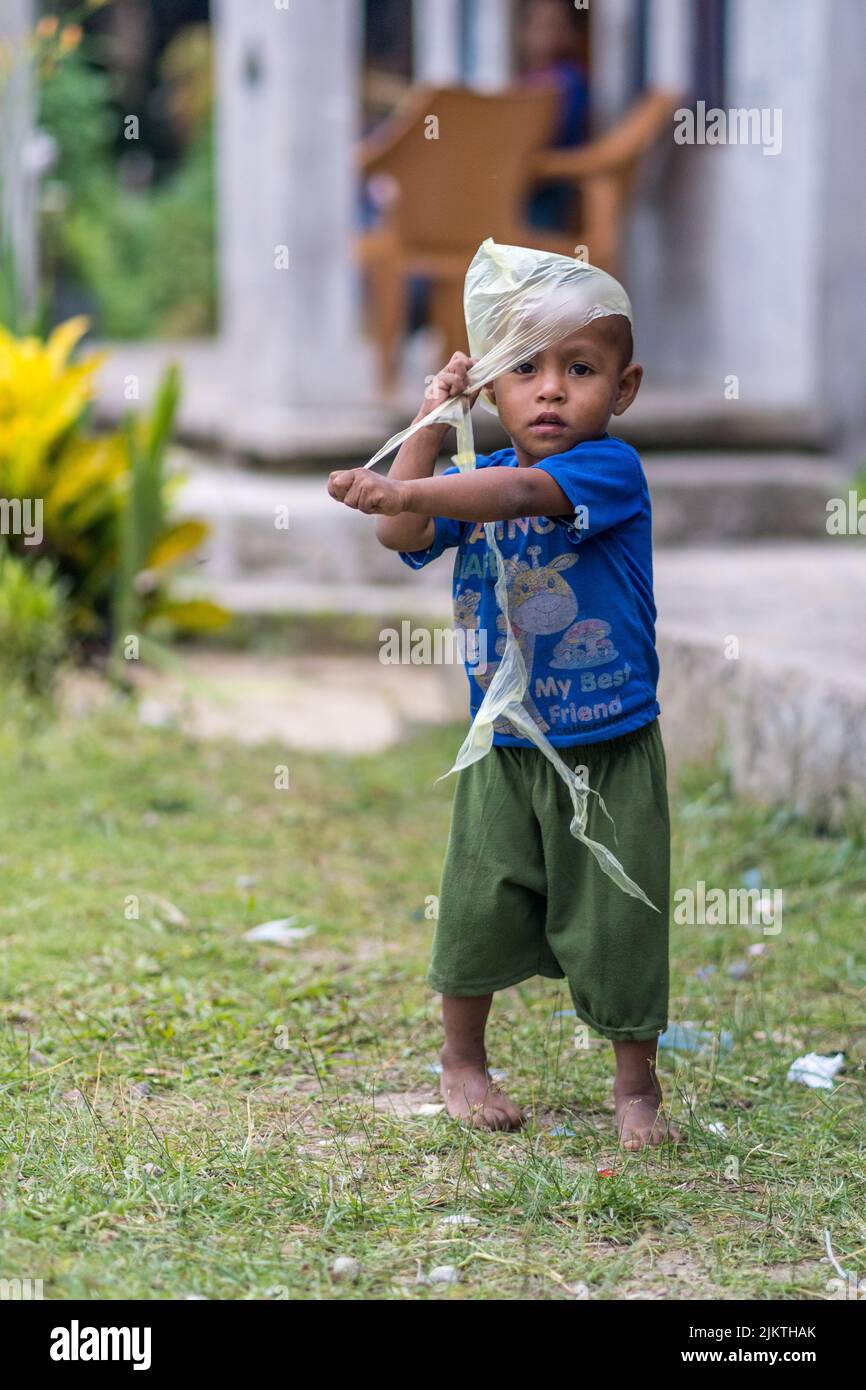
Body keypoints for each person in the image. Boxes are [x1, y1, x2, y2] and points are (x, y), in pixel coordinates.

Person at [327, 262, 683, 1152]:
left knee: (620, 918)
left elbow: (518, 495)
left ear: (624, 388)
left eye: (580, 368)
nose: (551, 390)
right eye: (524, 369)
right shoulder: (466, 470)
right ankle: (462, 1063)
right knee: (477, 903)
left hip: (609, 743)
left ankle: (636, 1086)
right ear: (492, 385)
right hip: (504, 743)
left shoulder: (609, 470)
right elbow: (400, 531)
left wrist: (411, 489)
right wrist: (429, 420)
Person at [518, 0, 590, 231]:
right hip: (519, 182)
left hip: (551, 187)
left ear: (571, 32)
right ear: (524, 31)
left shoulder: (570, 81)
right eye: (537, 25)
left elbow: (556, 131)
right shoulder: (525, 81)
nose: (546, 34)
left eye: (555, 25)